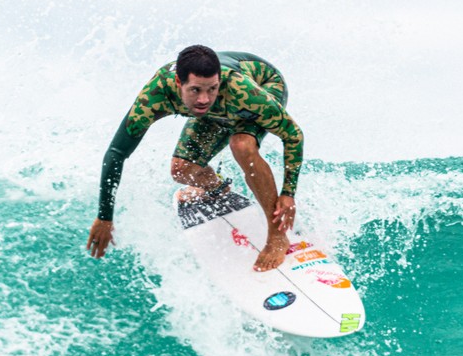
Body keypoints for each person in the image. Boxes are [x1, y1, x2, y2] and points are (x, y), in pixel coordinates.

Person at [87, 45, 304, 271]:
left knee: (241, 144)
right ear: (179, 84)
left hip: (263, 85)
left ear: (219, 81)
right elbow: (116, 153)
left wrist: (288, 194)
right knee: (181, 169)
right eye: (195, 90)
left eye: (212, 88)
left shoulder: (243, 92)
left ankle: (278, 236)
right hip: (218, 111)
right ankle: (217, 189)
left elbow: (294, 135)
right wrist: (104, 218)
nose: (204, 99)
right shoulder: (155, 95)